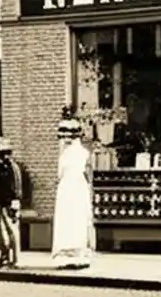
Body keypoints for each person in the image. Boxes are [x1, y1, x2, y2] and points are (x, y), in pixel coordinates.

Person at [52, 110, 95, 269]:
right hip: (78, 187)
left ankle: (68, 255)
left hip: (68, 187)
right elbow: (88, 174)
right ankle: (77, 255)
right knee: (77, 219)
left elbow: (59, 174)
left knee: (69, 219)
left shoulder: (64, 156)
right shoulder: (84, 153)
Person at [0, 138, 24, 271]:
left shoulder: (11, 168)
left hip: (10, 202)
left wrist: (16, 200)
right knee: (3, 232)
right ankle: (4, 257)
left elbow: (17, 185)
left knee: (13, 231)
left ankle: (16, 259)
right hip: (2, 202)